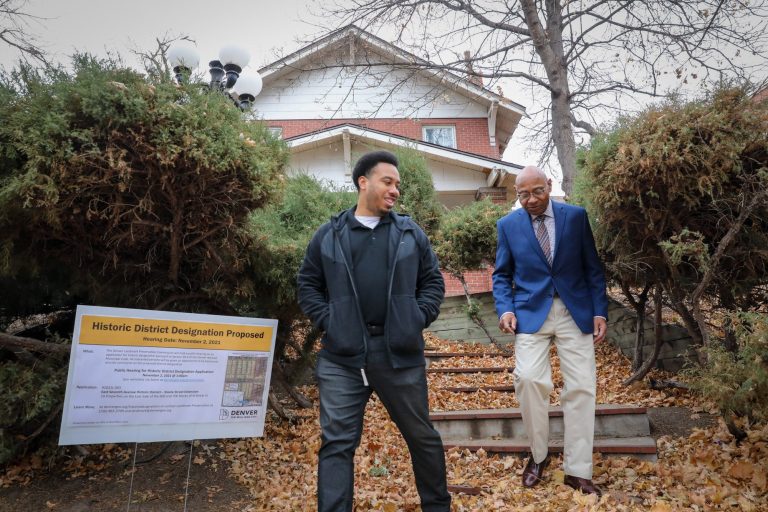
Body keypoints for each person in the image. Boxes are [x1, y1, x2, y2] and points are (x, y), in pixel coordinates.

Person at [297, 150, 451, 512]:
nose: (395, 189)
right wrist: (329, 321)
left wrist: (417, 316)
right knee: (336, 443)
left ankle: (438, 507)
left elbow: (432, 282)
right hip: (342, 358)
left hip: (398, 355)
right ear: (363, 182)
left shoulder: (411, 234)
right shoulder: (329, 235)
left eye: (397, 184)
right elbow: (308, 284)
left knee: (422, 437)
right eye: (388, 181)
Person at [492, 165, 608, 496]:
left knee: (582, 387)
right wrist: (507, 309)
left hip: (575, 311)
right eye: (523, 194)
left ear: (550, 185)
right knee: (528, 379)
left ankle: (577, 470)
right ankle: (539, 456)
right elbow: (501, 274)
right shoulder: (508, 225)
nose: (530, 200)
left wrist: (600, 310)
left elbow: (593, 268)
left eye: (537, 192)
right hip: (531, 313)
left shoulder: (575, 217)